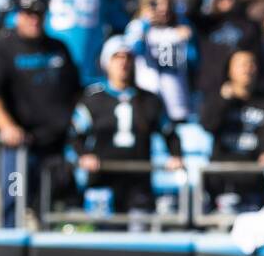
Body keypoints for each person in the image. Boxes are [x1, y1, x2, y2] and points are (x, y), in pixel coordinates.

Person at [0, 0, 82, 226]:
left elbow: (76, 91)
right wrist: (7, 127)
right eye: (27, 14)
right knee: (13, 204)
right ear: (18, 15)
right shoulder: (3, 49)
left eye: (38, 14)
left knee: (53, 209)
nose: (33, 19)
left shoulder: (59, 48)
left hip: (56, 147)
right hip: (21, 148)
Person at [70, 35, 183, 218]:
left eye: (127, 57)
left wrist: (176, 155)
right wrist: (84, 155)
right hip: (102, 179)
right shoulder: (93, 99)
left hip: (138, 181)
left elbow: (169, 132)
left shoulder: (149, 100)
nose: (123, 63)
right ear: (106, 62)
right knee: (102, 236)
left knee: (138, 235)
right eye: (117, 57)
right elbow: (74, 134)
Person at [199, 49, 264, 214]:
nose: (247, 68)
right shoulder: (217, 98)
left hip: (251, 179)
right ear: (230, 70)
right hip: (221, 179)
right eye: (242, 64)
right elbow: (208, 125)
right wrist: (224, 100)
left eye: (251, 64)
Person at [123, 0, 194, 122]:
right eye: (156, 3)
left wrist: (189, 41)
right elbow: (132, 49)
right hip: (150, 99)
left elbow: (192, 62)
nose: (164, 8)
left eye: (167, 2)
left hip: (177, 100)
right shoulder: (138, 27)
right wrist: (145, 22)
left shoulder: (181, 28)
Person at [195, 0, 264, 98]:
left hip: (240, 91)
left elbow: (255, 59)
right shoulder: (205, 23)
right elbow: (190, 9)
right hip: (209, 89)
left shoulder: (249, 25)